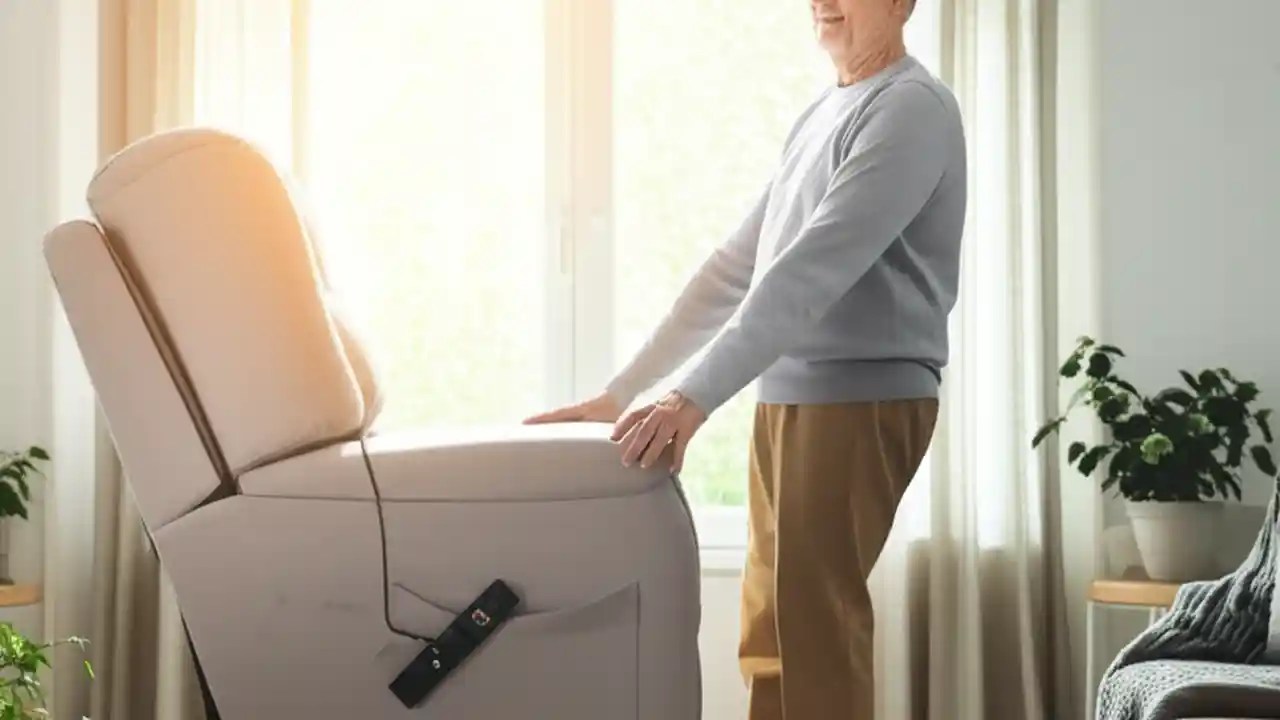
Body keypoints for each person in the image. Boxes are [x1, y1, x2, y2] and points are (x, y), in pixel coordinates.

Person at [527, 0, 964, 716]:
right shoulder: (825, 112)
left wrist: (690, 397)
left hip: (860, 399)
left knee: (815, 628)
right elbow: (738, 268)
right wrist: (623, 391)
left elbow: (808, 274)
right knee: (772, 628)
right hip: (790, 395)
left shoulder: (912, 109)